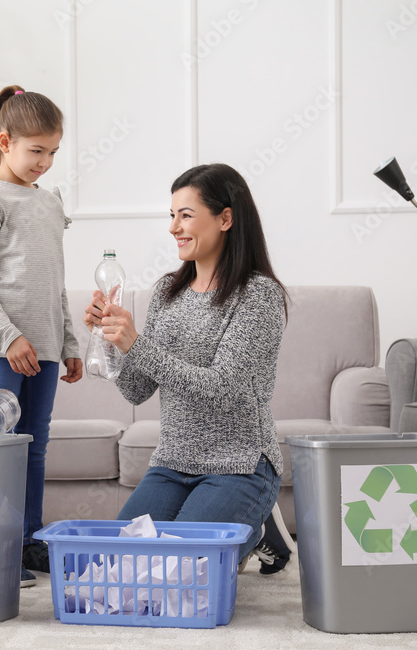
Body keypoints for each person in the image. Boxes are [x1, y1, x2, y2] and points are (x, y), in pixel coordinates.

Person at [84, 163, 296, 575]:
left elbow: (225, 388)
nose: (173, 228)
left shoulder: (258, 296)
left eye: (186, 215)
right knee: (116, 567)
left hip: (238, 462)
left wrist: (136, 343)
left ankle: (254, 529)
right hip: (173, 462)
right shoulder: (168, 290)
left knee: (177, 574)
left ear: (225, 218)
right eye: (172, 216)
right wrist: (109, 340)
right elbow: (136, 389)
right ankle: (251, 526)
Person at [0, 85, 83, 587]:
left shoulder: (50, 204)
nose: (46, 162)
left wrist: (70, 342)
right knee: (0, 445)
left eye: (53, 152)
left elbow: (55, 281)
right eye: (37, 151)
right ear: (5, 140)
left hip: (47, 349)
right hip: (1, 348)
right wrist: (9, 335)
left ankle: (28, 541)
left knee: (35, 447)